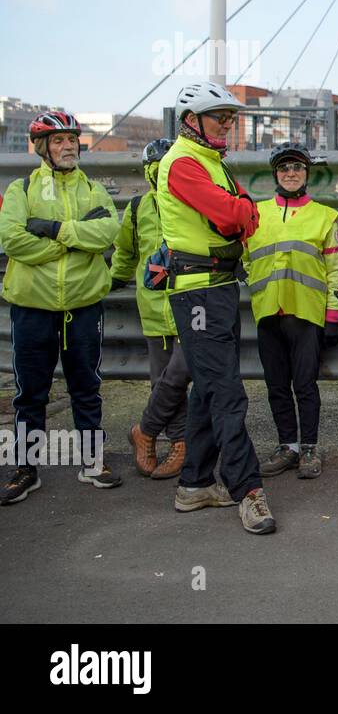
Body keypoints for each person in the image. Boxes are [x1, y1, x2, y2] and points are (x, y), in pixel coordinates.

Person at [156, 81, 274, 534]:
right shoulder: (184, 164)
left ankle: (194, 485)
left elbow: (247, 215)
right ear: (192, 121)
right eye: (219, 117)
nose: (228, 124)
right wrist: (242, 207)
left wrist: (241, 208)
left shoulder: (210, 162)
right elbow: (234, 217)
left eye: (231, 117)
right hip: (198, 291)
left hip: (218, 286)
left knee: (207, 389)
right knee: (227, 392)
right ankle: (248, 491)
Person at [0, 111, 122, 504]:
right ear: (41, 148)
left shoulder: (94, 190)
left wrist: (53, 231)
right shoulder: (21, 189)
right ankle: (25, 468)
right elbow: (12, 240)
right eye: (58, 141)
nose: (68, 146)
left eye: (72, 140)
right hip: (32, 307)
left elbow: (107, 232)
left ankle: (92, 461)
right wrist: (72, 243)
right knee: (30, 392)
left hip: (83, 306)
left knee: (86, 386)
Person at [246, 142, 338, 480]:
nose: (291, 173)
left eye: (298, 168)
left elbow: (335, 270)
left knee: (305, 385)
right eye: (285, 167)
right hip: (268, 314)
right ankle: (287, 446)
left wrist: (333, 315)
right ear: (275, 173)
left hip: (307, 316)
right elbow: (245, 260)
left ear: (307, 173)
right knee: (276, 386)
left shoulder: (324, 216)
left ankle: (309, 449)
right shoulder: (256, 213)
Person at [115, 137, 192, 480]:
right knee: (162, 380)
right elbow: (126, 253)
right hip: (152, 306)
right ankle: (179, 443)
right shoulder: (136, 209)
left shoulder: (191, 203)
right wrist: (113, 279)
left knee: (178, 374)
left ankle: (144, 430)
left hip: (189, 303)